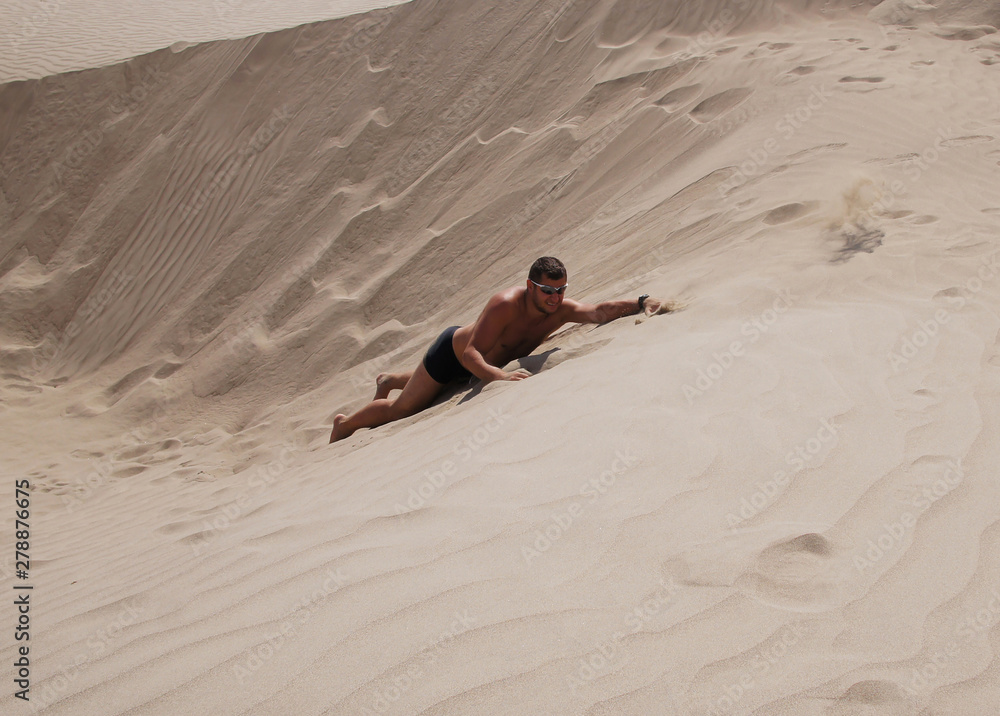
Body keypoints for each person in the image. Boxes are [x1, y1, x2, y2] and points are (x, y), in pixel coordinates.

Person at [329, 256, 669, 443]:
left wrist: (641, 301)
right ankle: (345, 424)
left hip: (480, 364)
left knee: (441, 387)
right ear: (530, 286)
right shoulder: (505, 304)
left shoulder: (560, 309)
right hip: (452, 356)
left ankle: (391, 378)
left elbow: (598, 312)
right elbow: (470, 354)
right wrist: (499, 378)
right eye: (547, 290)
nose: (556, 298)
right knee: (403, 409)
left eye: (561, 290)